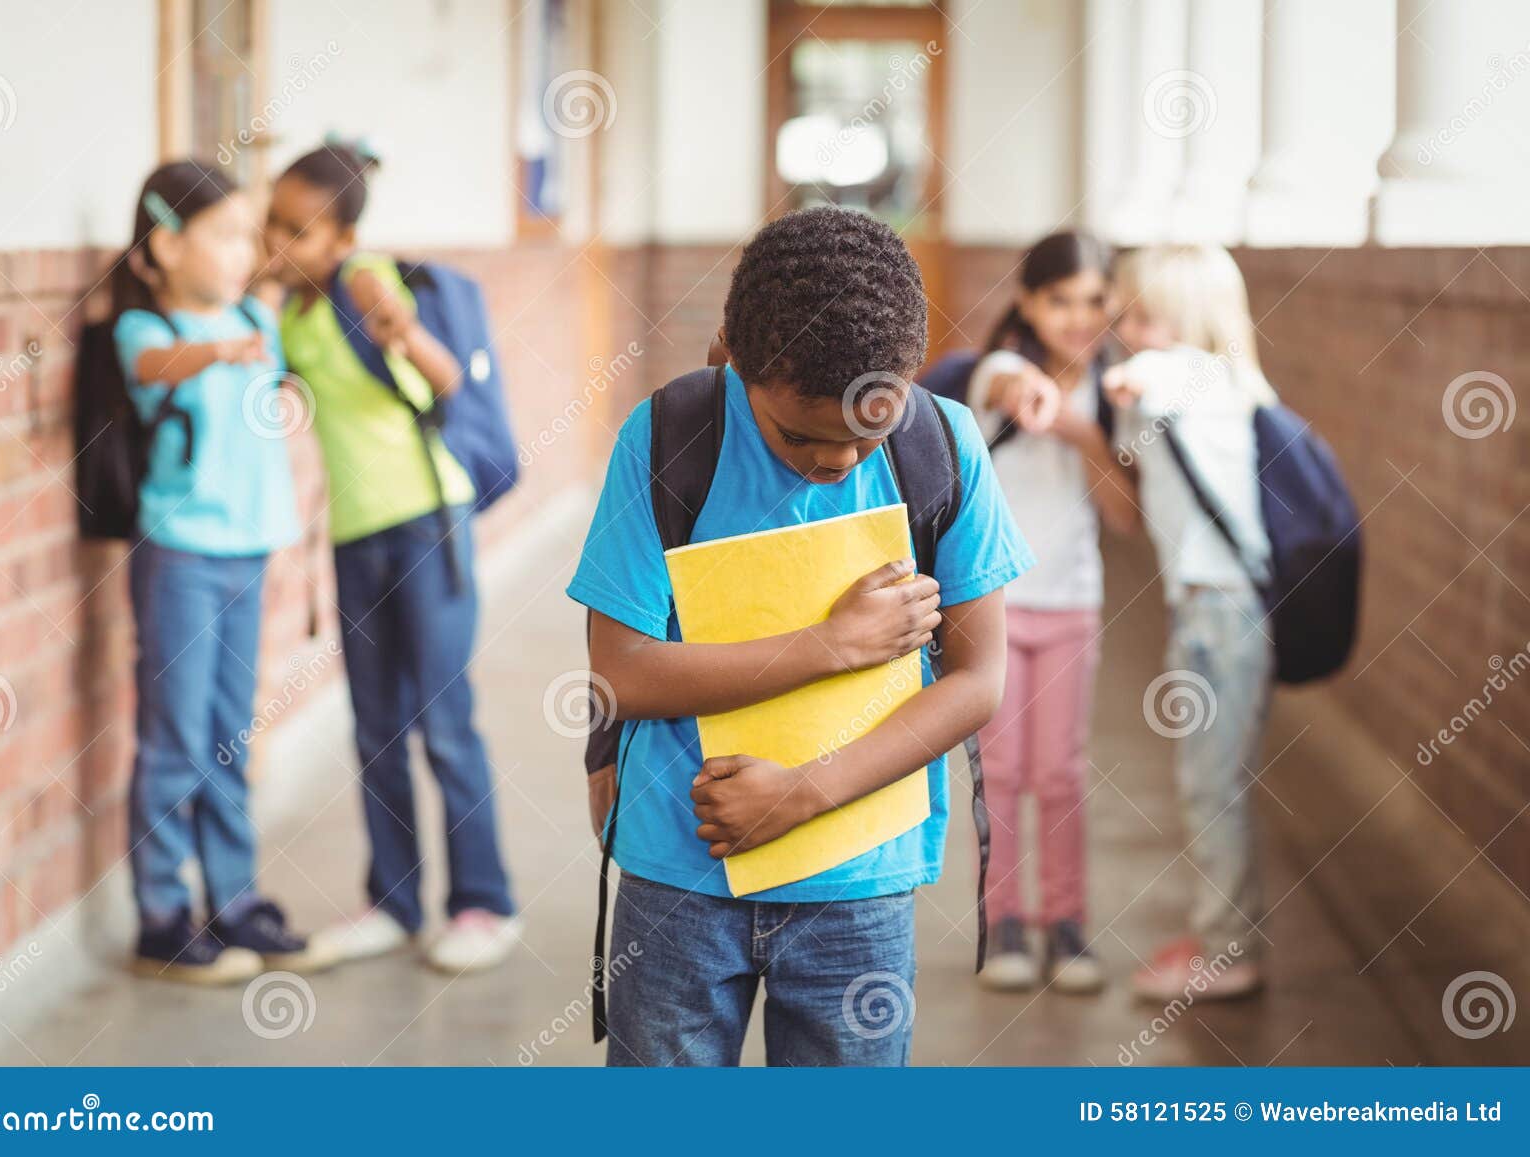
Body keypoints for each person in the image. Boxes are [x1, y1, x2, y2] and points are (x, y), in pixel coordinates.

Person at [568, 206, 1033, 1066]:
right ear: (737, 362)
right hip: (681, 872)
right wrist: (830, 646)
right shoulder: (670, 440)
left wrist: (804, 793)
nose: (838, 462)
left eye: (869, 433)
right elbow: (621, 670)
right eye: (801, 435)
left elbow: (977, 680)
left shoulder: (945, 447)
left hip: (860, 881)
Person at [261, 142, 518, 974]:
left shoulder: (365, 277)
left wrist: (402, 328)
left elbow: (446, 379)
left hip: (424, 523)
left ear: (340, 235)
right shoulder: (295, 308)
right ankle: (395, 901)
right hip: (355, 536)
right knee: (375, 727)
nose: (276, 240)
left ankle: (483, 904)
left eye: (295, 230)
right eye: (271, 222)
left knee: (444, 723)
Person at [112, 159, 326, 983]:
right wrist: (219, 350)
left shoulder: (253, 317)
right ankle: (162, 913)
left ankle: (233, 899)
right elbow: (155, 371)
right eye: (226, 234)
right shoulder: (148, 332)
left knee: (232, 737)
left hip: (248, 553)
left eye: (250, 234)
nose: (246, 251)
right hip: (179, 558)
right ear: (164, 244)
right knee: (174, 739)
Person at [964, 231, 1138, 994]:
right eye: (1058, 299)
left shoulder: (1118, 391)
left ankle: (1065, 924)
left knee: (1059, 772)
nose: (1076, 316)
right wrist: (1031, 397)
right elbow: (1006, 387)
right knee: (999, 769)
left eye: (1093, 301)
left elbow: (1125, 517)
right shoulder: (1000, 368)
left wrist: (1084, 430)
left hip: (1070, 600)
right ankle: (1001, 922)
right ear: (1030, 303)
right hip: (993, 608)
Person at [1105, 244, 1276, 1002]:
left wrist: (1128, 372)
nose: (1130, 330)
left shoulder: (1192, 373)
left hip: (1217, 611)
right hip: (1212, 607)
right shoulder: (1218, 383)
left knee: (1212, 788)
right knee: (1208, 781)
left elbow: (1138, 378)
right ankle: (1219, 928)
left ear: (1187, 320)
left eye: (1144, 315)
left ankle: (1227, 950)